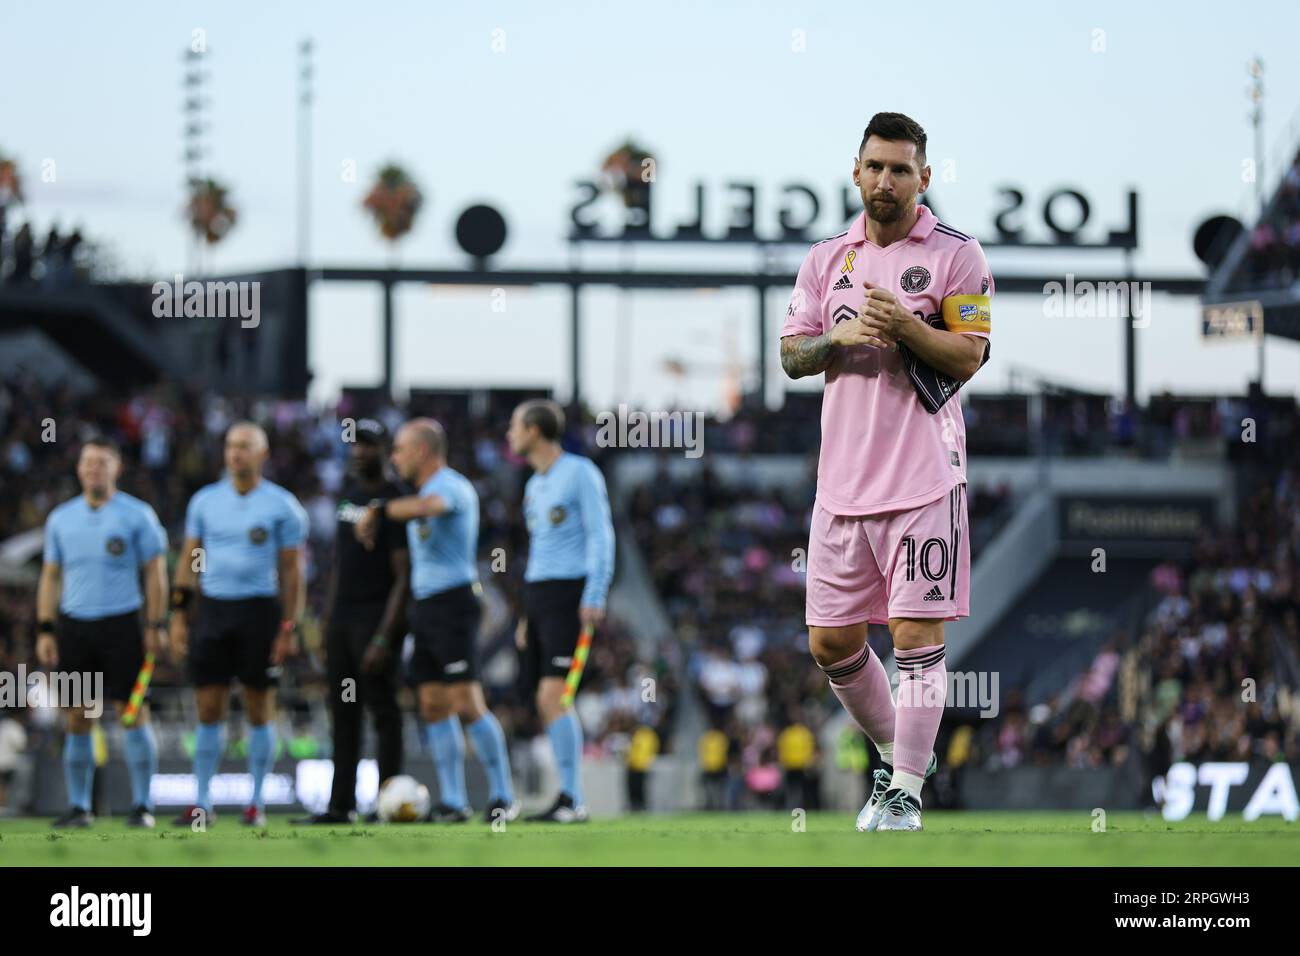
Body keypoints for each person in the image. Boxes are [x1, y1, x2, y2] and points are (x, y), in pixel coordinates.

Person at [779, 112, 993, 832]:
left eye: (901, 168)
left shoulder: (957, 256)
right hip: (841, 487)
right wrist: (833, 339)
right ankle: (907, 754)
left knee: (913, 633)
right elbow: (790, 356)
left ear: (923, 177)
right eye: (875, 166)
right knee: (831, 643)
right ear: (856, 171)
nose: (886, 180)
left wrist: (906, 327)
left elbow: (970, 356)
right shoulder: (824, 260)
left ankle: (903, 792)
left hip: (925, 480)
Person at [357, 418, 518, 823]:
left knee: (466, 701)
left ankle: (504, 796)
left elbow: (430, 509)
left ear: (422, 451)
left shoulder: (449, 487)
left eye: (399, 449)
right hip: (425, 607)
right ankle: (453, 801)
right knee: (431, 704)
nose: (393, 458)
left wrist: (379, 510)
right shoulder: (421, 492)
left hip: (455, 604)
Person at [169, 422, 308, 827]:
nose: (236, 453)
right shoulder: (205, 502)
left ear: (262, 454)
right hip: (213, 611)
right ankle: (202, 803)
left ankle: (257, 802)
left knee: (259, 707)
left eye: (245, 446)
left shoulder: (282, 506)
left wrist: (288, 626)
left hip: (259, 612)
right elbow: (190, 559)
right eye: (231, 446)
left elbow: (292, 572)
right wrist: (179, 615)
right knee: (207, 706)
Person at [36, 439, 169, 828]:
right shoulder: (61, 518)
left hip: (123, 624)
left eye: (102, 463)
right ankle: (80, 807)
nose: (94, 469)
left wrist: (155, 624)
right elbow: (50, 576)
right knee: (79, 716)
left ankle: (143, 805)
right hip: (75, 625)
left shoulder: (137, 515)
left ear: (117, 468)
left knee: (133, 714)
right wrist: (46, 628)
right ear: (79, 469)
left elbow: (155, 572)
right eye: (88, 463)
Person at [294, 418, 408, 825]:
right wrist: (328, 622)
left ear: (385, 451)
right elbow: (342, 565)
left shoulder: (396, 500)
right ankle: (340, 805)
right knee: (344, 709)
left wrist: (384, 635)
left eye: (370, 445)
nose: (360, 452)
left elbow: (404, 574)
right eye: (356, 444)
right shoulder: (349, 497)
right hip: (344, 618)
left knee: (383, 709)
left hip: (376, 618)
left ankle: (389, 802)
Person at [505, 399, 615, 823]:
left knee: (556, 695)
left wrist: (596, 592)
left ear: (535, 430)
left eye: (515, 425)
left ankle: (573, 799)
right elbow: (539, 551)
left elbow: (600, 534)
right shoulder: (534, 485)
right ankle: (566, 797)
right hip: (540, 596)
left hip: (572, 594)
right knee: (541, 697)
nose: (509, 435)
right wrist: (526, 614)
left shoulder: (580, 472)